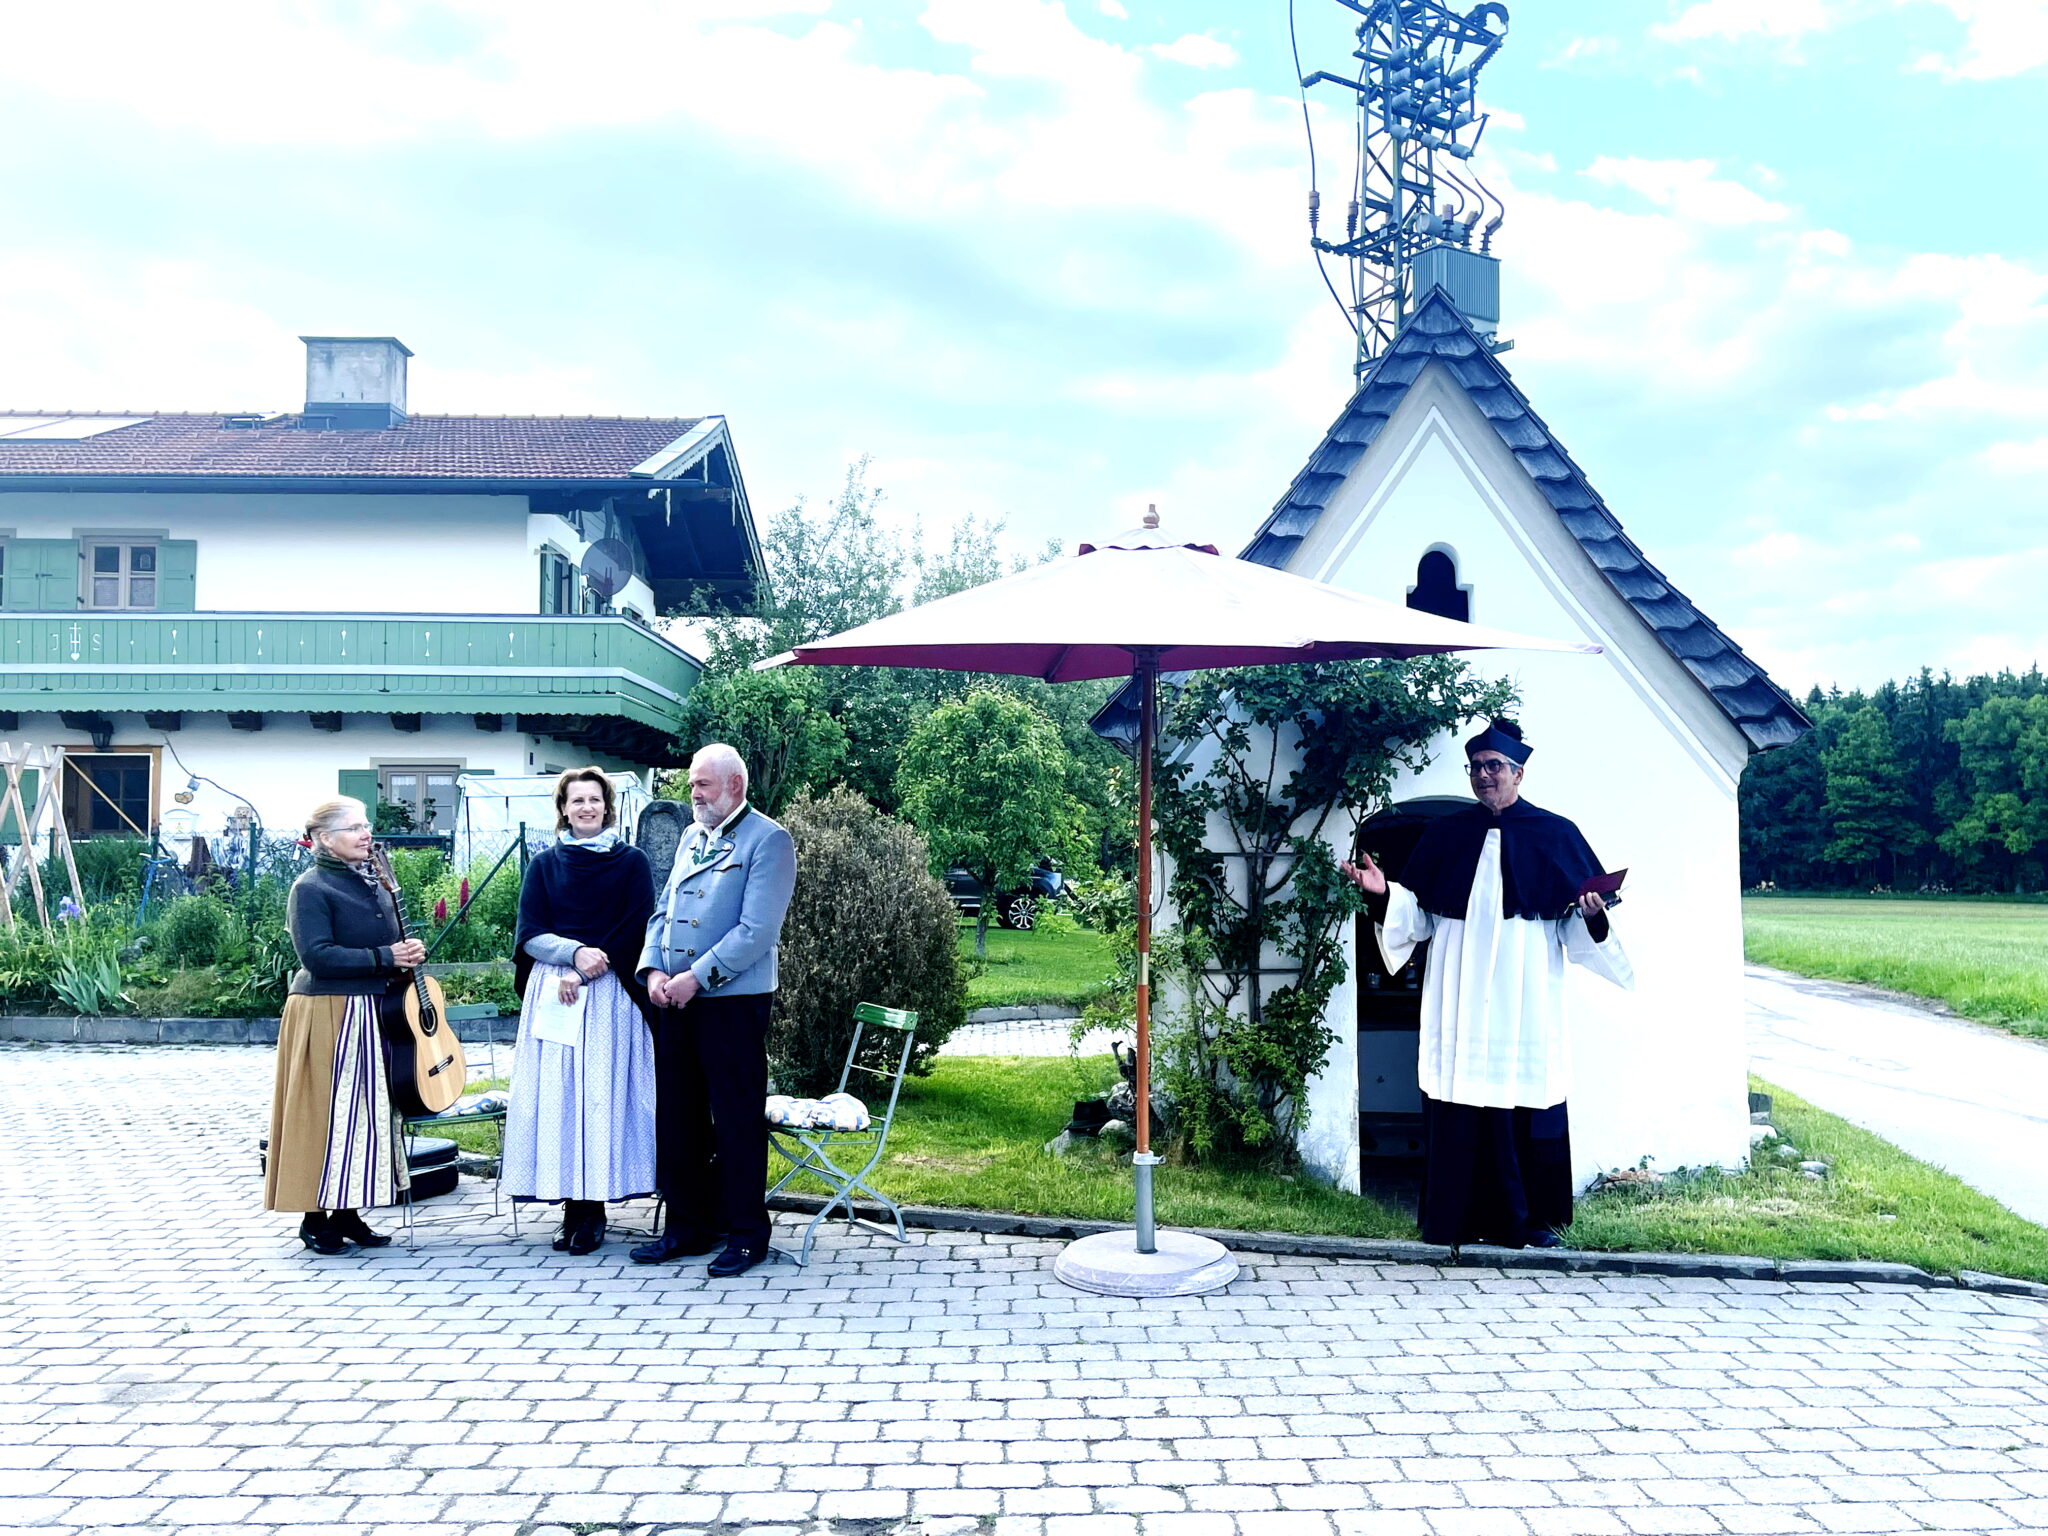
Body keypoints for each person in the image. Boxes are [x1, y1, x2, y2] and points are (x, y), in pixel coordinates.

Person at [1341, 719, 1633, 1249]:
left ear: (1518, 773)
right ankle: (1451, 1221)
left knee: (1524, 1101)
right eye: (1476, 767)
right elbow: (1421, 919)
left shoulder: (1557, 834)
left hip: (1525, 991)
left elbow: (1570, 929)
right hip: (1458, 990)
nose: (1483, 776)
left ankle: (1530, 1224)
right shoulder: (1447, 834)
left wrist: (1592, 914)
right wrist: (1384, 893)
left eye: (1494, 767)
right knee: (1458, 1100)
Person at [631, 743, 797, 1277]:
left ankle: (746, 1234)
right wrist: (653, 971)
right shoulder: (690, 835)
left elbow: (757, 931)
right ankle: (686, 1226)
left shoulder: (769, 839)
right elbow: (664, 910)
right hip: (674, 998)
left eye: (702, 784)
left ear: (735, 786)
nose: (693, 793)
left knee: (735, 1119)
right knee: (678, 1116)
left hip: (731, 1002)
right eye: (693, 783)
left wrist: (695, 978)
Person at [505, 767, 659, 1255]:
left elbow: (639, 922)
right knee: (560, 1100)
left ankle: (595, 1209)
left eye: (594, 799)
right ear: (563, 809)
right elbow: (529, 931)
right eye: (577, 801)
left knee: (602, 1098)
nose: (586, 808)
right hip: (558, 993)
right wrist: (571, 954)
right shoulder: (544, 865)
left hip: (610, 993)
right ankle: (571, 1206)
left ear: (607, 806)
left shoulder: (631, 862)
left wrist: (591, 965)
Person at [265, 797, 418, 1253]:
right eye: (354, 828)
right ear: (325, 839)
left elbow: (384, 944)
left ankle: (349, 1213)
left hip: (374, 1010)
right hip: (326, 1012)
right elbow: (316, 955)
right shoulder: (310, 888)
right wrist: (383, 957)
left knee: (364, 1117)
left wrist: (404, 953)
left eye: (366, 824)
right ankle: (315, 1220)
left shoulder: (375, 882)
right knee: (322, 1115)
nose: (366, 833)